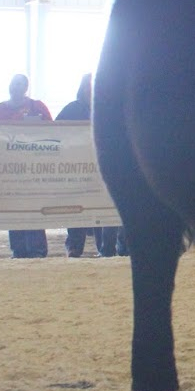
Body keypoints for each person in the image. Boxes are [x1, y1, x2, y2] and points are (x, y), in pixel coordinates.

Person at [0, 73, 52, 259]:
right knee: (13, 208)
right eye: (13, 84)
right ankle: (18, 250)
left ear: (25, 88)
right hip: (9, 169)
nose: (15, 88)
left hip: (34, 168)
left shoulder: (37, 107)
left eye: (19, 85)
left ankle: (37, 250)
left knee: (35, 207)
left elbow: (53, 132)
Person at [56, 73, 121, 258]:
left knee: (106, 209)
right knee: (77, 208)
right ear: (84, 88)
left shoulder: (111, 109)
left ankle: (107, 249)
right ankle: (75, 248)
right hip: (77, 170)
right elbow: (53, 132)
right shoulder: (71, 110)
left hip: (106, 168)